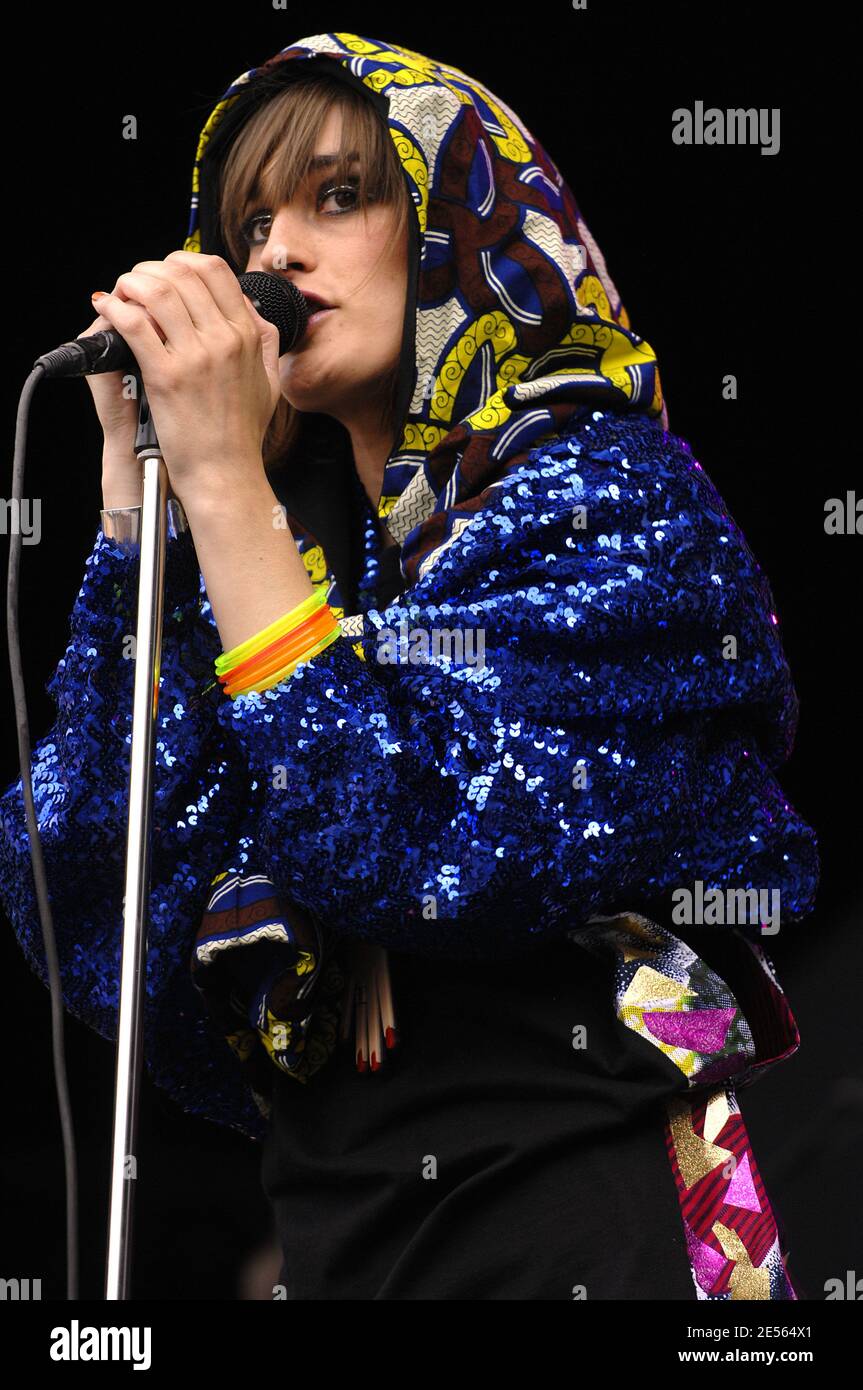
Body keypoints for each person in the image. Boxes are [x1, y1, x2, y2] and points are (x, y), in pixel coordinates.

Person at [0, 33, 819, 1300]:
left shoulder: (610, 496)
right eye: (248, 222)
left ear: (458, 224)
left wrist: (221, 488)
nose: (275, 253)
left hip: (596, 1209)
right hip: (352, 1234)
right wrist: (139, 517)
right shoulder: (285, 557)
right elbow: (90, 888)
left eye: (338, 195)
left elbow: (407, 839)